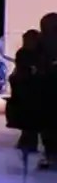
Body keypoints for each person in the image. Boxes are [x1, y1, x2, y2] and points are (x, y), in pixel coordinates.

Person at [8, 29, 45, 156]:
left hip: (31, 94)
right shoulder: (26, 54)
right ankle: (28, 144)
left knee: (31, 123)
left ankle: (27, 144)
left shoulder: (30, 54)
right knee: (30, 124)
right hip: (28, 94)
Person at [38, 12, 57, 169]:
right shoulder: (43, 42)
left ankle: (51, 155)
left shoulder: (43, 42)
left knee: (49, 124)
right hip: (47, 88)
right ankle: (50, 154)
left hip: (48, 88)